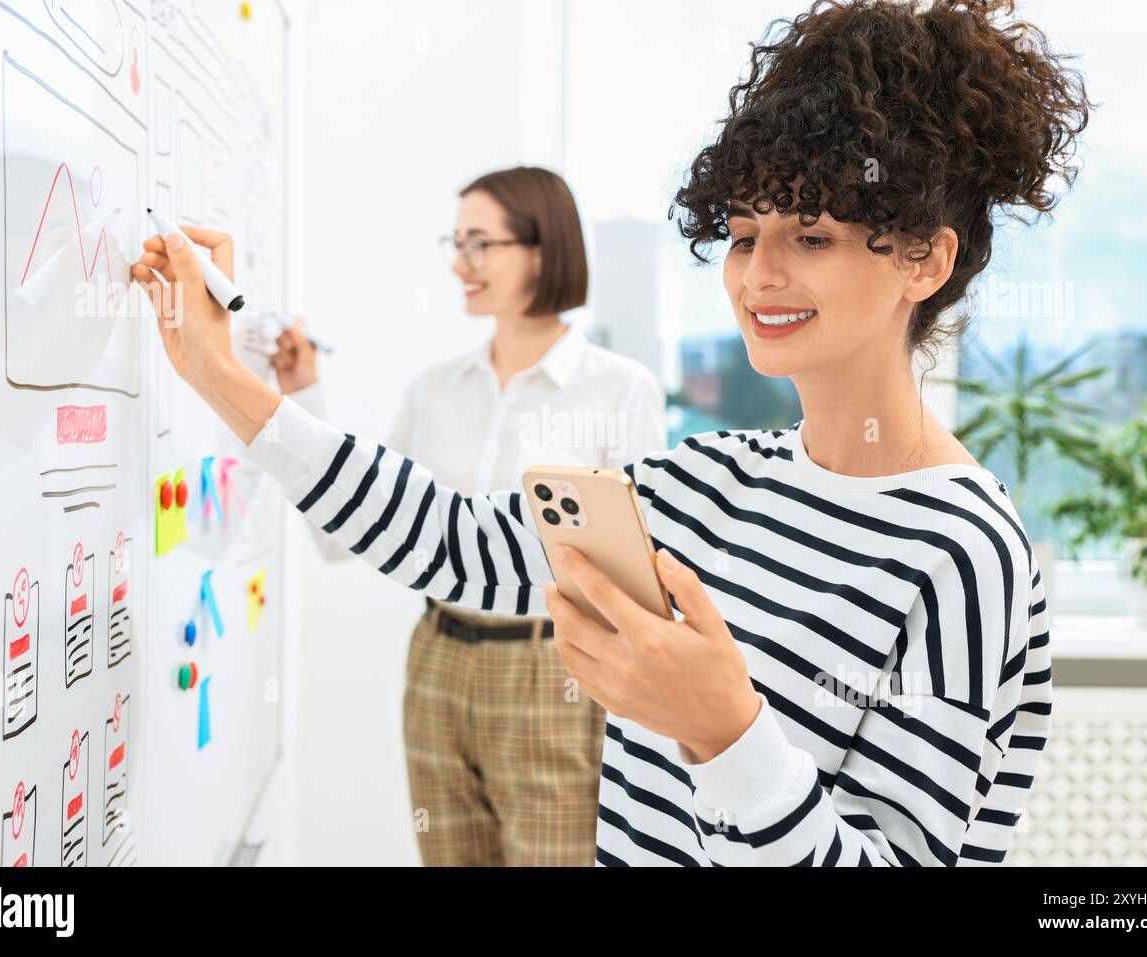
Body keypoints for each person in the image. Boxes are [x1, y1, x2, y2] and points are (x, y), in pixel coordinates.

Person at [133, 0, 1087, 865]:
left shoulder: (963, 552)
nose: (758, 276)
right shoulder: (709, 483)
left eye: (812, 235)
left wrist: (725, 731)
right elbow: (462, 542)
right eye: (745, 234)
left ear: (924, 259)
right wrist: (219, 376)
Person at [264, 167, 666, 866]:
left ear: (542, 249)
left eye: (479, 243)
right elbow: (342, 535)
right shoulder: (434, 391)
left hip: (557, 669)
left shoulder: (620, 390)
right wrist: (302, 397)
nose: (459, 263)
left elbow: (642, 574)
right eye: (455, 242)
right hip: (437, 661)